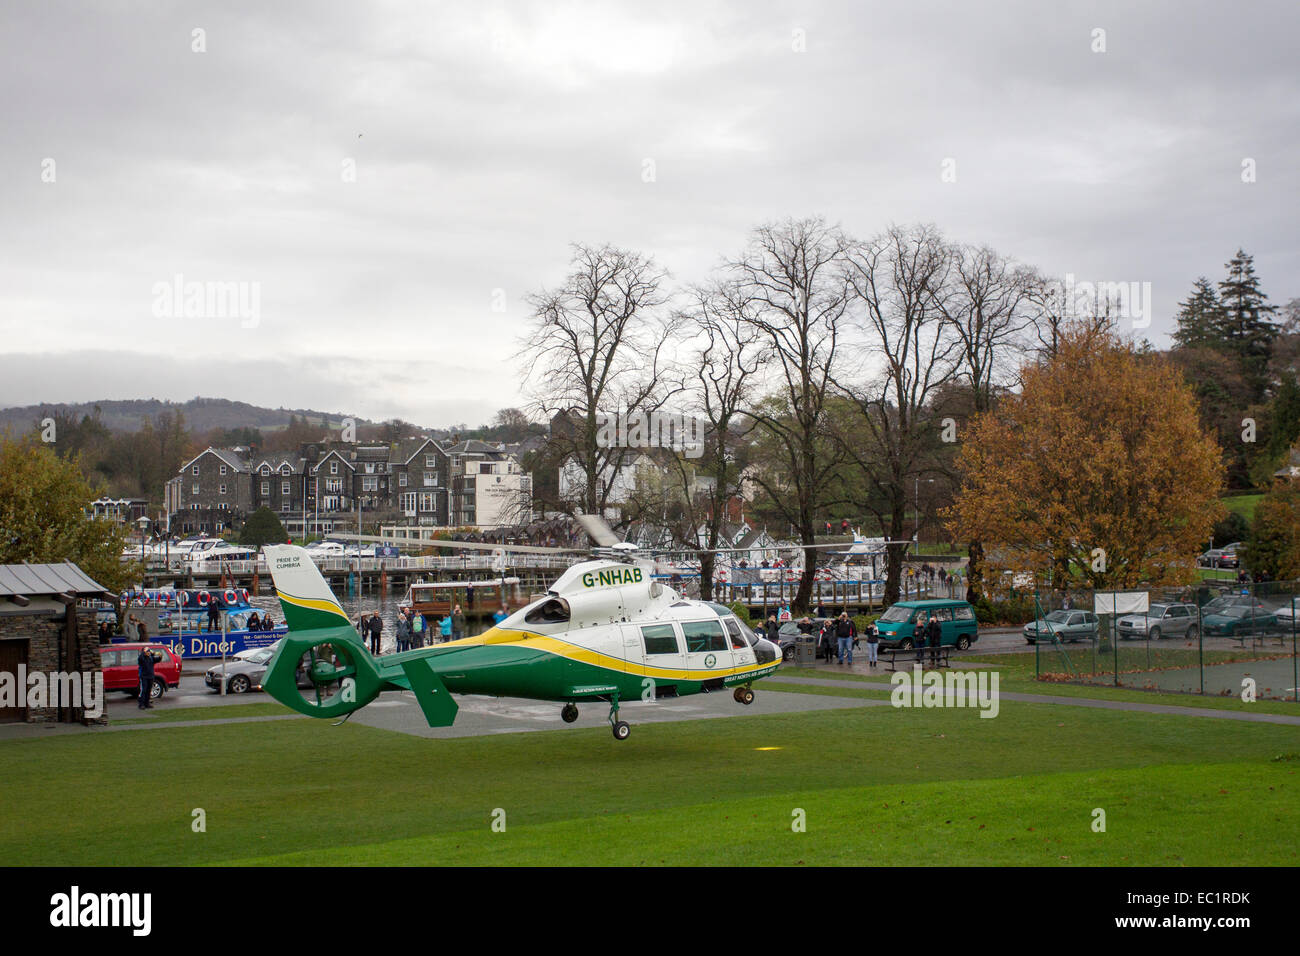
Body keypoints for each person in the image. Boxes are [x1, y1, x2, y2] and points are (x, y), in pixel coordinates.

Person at [136, 639, 155, 710]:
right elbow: (141, 658)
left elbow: (158, 659)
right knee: (143, 690)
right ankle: (141, 704)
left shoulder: (151, 658)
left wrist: (153, 653)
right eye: (147, 651)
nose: (148, 652)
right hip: (144, 676)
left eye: (149, 651)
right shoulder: (142, 658)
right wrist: (144, 652)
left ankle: (147, 703)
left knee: (148, 690)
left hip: (150, 676)